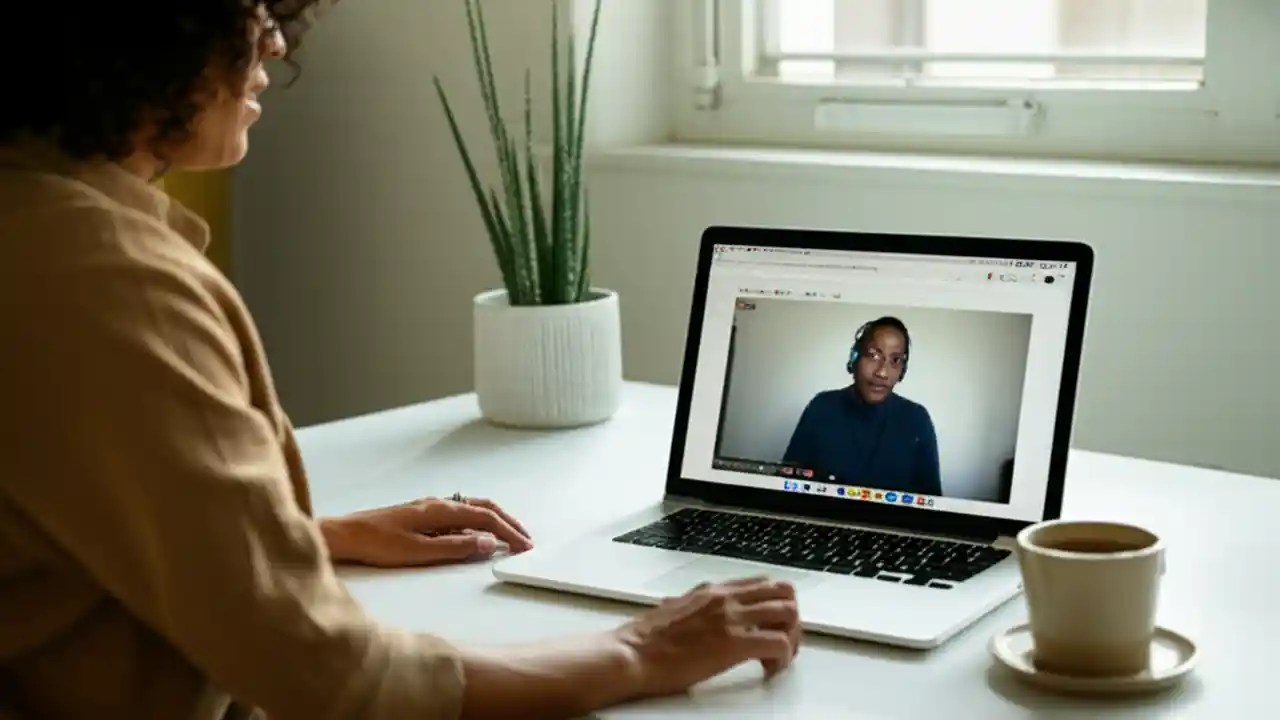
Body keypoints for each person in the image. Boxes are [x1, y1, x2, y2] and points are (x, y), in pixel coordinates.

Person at [0, 3, 801, 719]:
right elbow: (328, 676)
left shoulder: (37, 221)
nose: (275, 42)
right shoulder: (104, 280)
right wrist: (637, 652)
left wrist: (305, 537)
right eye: (247, 11)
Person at [783, 316, 942, 496]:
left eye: (895, 360)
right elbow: (786, 485)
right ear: (855, 357)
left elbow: (932, 502)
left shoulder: (916, 420)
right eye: (873, 355)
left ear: (902, 371)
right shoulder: (821, 408)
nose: (882, 372)